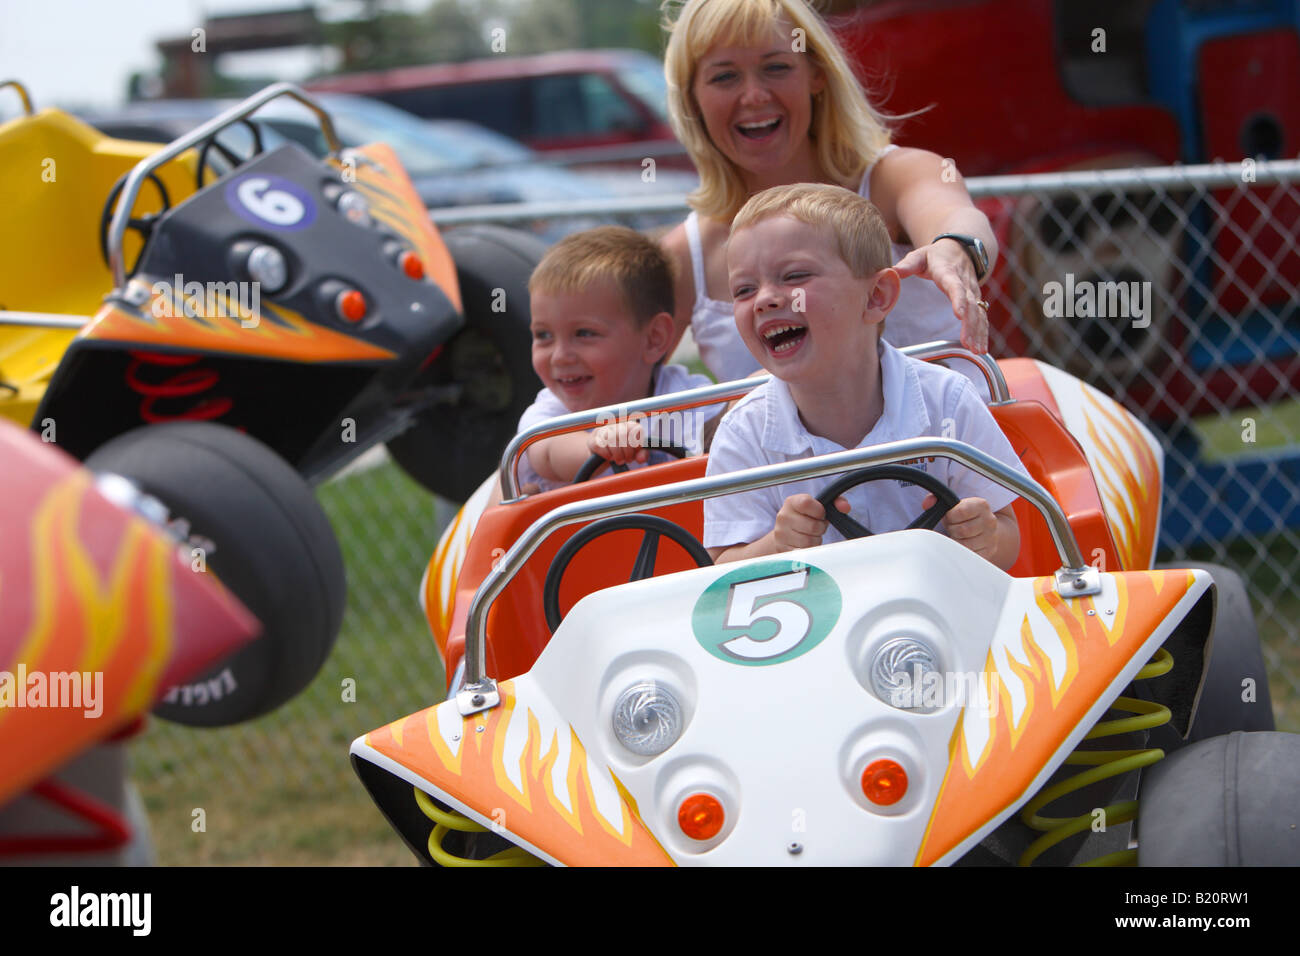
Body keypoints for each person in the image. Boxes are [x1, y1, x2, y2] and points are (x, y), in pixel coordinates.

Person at [659, 0, 998, 384]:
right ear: (692, 98)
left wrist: (955, 249)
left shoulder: (895, 176)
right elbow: (604, 390)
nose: (753, 95)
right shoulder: (685, 256)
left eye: (776, 67)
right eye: (724, 77)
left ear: (816, 74)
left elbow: (958, 216)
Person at [703, 183, 1024, 569]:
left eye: (795, 276)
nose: (764, 299)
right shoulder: (744, 432)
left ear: (876, 297)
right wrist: (777, 545)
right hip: (816, 624)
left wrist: (984, 536)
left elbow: (1008, 534)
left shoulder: (947, 401)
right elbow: (724, 570)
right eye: (744, 289)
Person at [515, 226, 713, 494]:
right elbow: (548, 451)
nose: (560, 356)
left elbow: (725, 436)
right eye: (543, 335)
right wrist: (595, 446)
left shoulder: (688, 398)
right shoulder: (549, 413)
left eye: (584, 334)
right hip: (580, 536)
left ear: (654, 339)